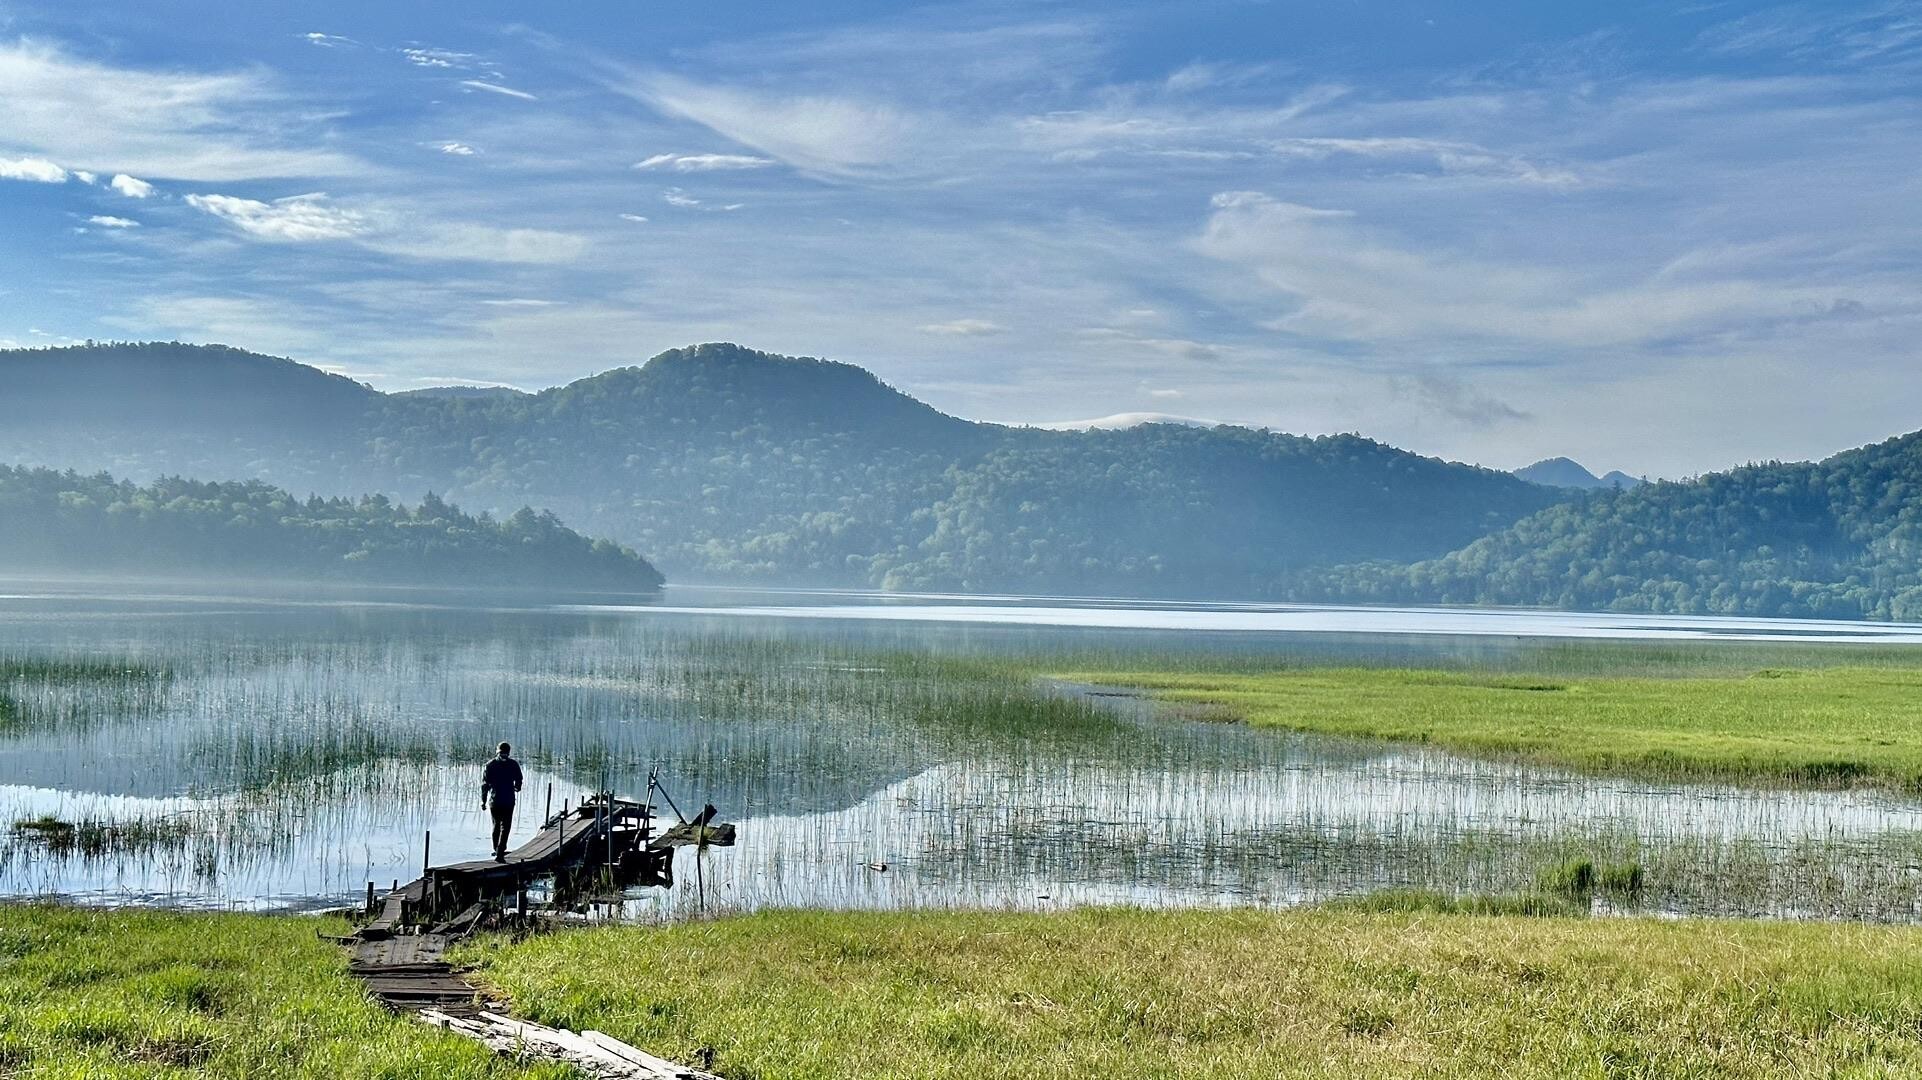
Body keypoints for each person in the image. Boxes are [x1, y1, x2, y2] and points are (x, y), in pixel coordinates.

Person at [481, 742, 524, 861]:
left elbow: (485, 785)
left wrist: (483, 801)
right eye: (503, 753)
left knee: (497, 826)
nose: (504, 755)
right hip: (506, 800)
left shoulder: (490, 765)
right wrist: (517, 787)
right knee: (504, 827)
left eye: (504, 754)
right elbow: (519, 779)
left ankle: (498, 850)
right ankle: (499, 850)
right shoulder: (513, 764)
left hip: (496, 801)